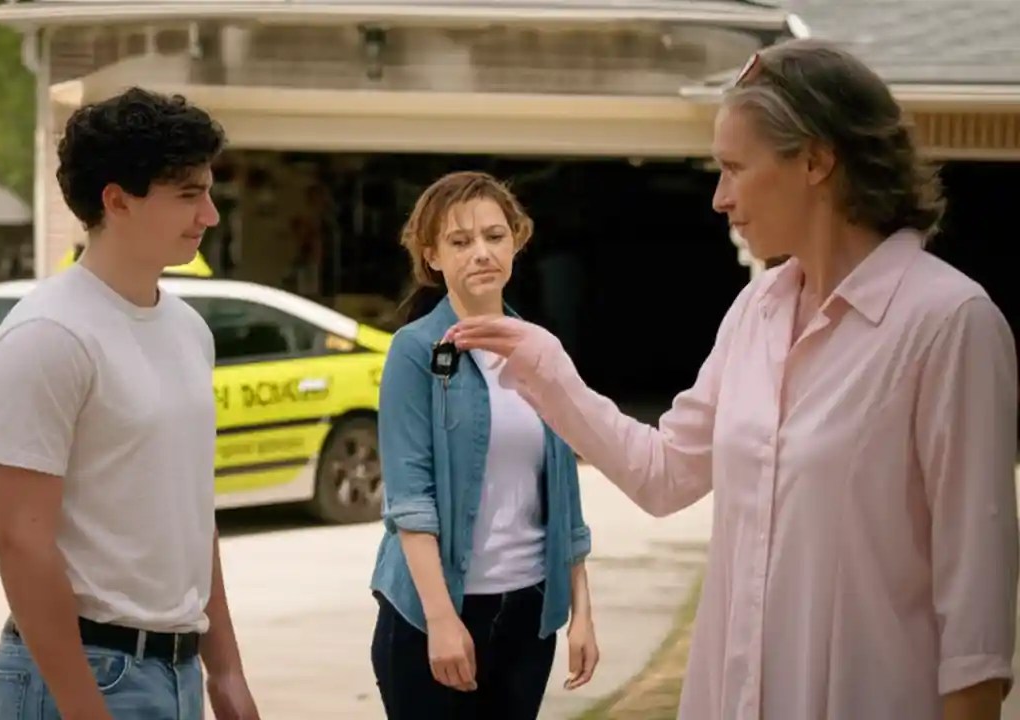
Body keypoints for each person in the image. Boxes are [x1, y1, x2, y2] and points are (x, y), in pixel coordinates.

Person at [448, 39, 1019, 720]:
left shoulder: (949, 324)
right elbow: (664, 475)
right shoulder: (756, 311)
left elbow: (977, 635)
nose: (718, 198)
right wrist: (548, 370)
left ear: (815, 160)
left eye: (733, 169)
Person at [0, 87, 260, 720]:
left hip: (178, 672)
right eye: (189, 194)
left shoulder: (190, 330)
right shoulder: (47, 336)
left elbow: (190, 517)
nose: (210, 215)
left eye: (208, 192)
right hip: (82, 676)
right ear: (116, 200)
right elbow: (20, 543)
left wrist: (226, 672)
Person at [369, 170, 599, 719]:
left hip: (528, 612)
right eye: (460, 241)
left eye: (494, 236)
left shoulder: (541, 350)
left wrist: (582, 610)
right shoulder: (414, 350)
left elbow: (564, 493)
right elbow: (409, 501)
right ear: (432, 256)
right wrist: (442, 620)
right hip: (435, 613)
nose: (481, 253)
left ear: (516, 242)